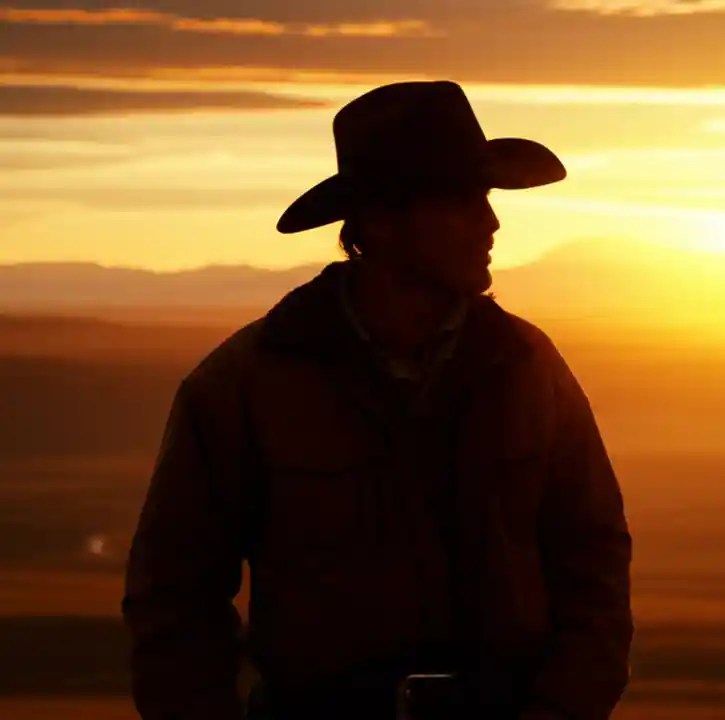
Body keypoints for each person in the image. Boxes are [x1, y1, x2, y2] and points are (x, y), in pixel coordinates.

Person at [122, 81, 633, 720]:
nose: (493, 222)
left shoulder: (529, 368)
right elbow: (173, 596)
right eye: (462, 201)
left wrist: (562, 709)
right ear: (381, 222)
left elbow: (594, 560)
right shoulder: (242, 385)